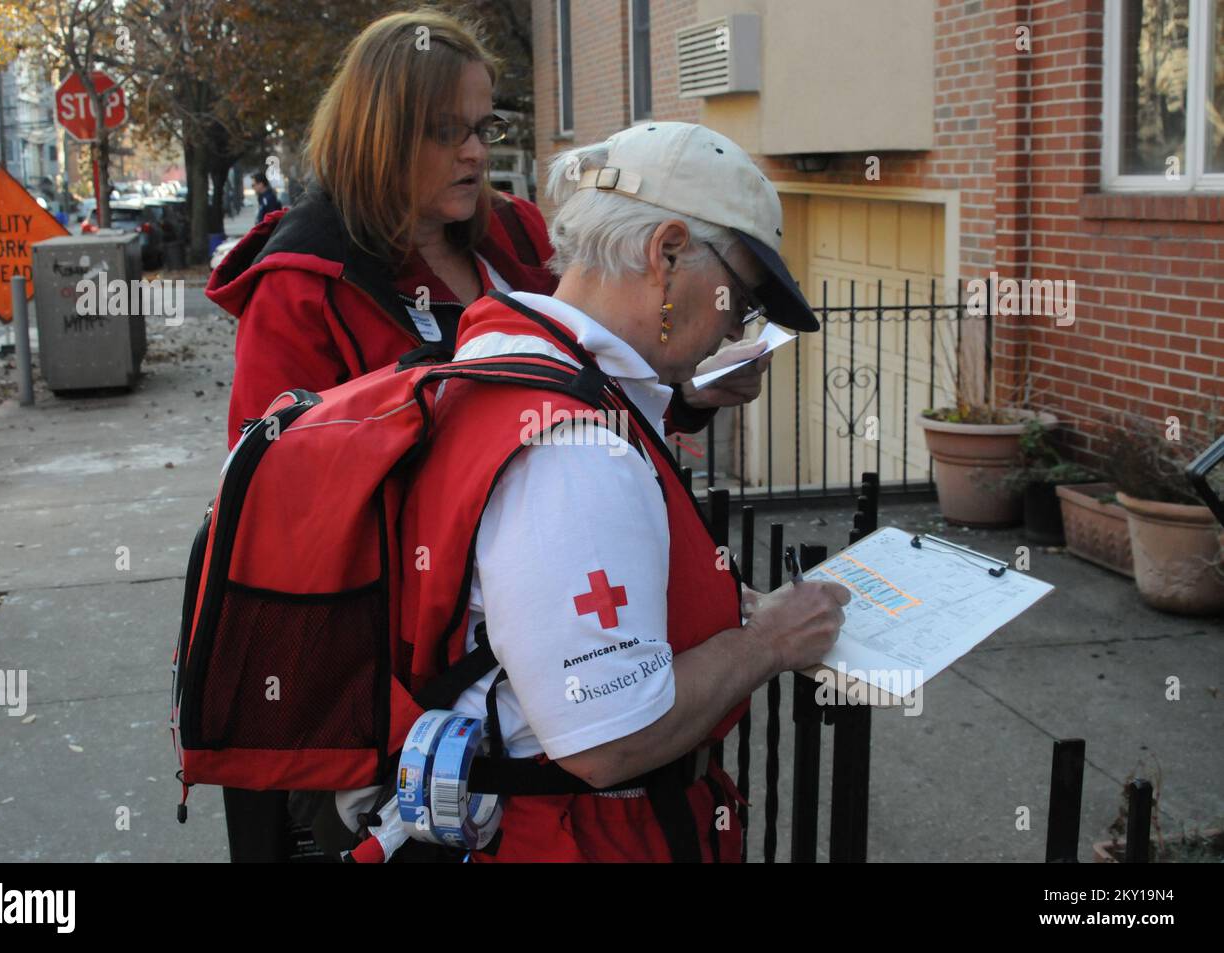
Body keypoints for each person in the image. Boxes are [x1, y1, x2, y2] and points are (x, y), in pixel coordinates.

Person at [381, 121, 854, 862]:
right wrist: (770, 641)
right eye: (742, 300)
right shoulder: (576, 451)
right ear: (666, 255)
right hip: (579, 837)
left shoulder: (518, 356)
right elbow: (608, 737)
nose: (738, 327)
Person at [206, 8, 759, 452]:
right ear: (379, 135)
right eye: (447, 131)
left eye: (483, 128)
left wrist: (688, 396)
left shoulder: (514, 229)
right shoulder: (300, 285)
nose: (474, 152)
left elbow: (597, 371)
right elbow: (269, 478)